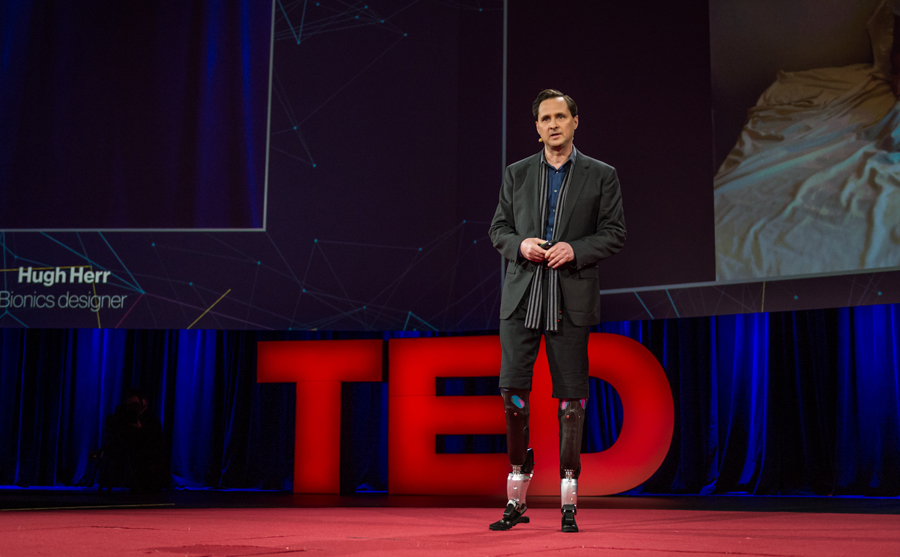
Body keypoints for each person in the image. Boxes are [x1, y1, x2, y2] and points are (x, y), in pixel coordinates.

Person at [488, 89, 626, 533]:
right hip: (522, 296)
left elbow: (614, 233)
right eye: (545, 118)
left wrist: (576, 248)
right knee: (513, 396)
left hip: (570, 298)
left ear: (575, 122)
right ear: (537, 127)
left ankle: (569, 499)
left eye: (560, 117)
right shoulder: (517, 173)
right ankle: (516, 497)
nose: (553, 125)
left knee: (571, 400)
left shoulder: (602, 175)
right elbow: (498, 230)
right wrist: (520, 245)